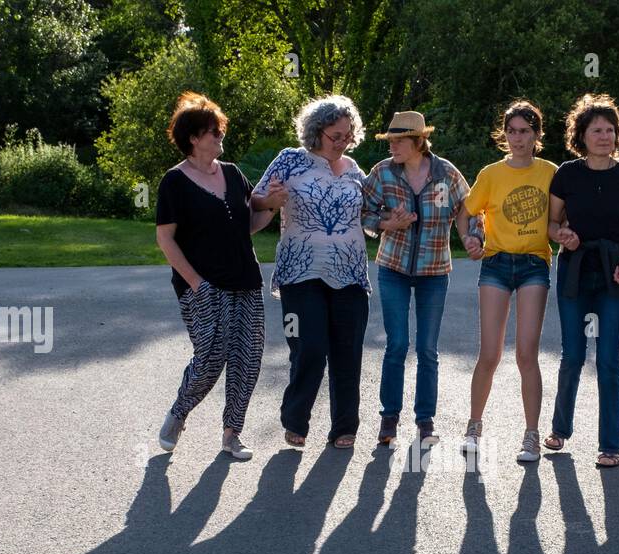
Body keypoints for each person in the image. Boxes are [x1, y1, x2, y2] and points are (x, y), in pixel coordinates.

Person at [155, 91, 273, 459]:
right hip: (202, 285)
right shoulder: (174, 182)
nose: (220, 136)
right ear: (193, 137)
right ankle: (179, 412)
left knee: (248, 357)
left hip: (245, 280)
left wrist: (272, 207)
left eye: (220, 130)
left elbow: (248, 225)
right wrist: (196, 283)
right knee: (211, 355)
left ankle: (231, 434)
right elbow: (165, 238)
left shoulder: (234, 173)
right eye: (213, 131)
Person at [251, 95, 371, 449]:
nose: (343, 142)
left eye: (348, 135)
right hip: (299, 274)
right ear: (316, 131)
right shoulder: (290, 161)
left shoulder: (353, 169)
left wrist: (387, 223)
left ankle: (345, 427)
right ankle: (295, 420)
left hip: (349, 274)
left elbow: (368, 218)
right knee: (309, 347)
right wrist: (272, 201)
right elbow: (256, 200)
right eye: (336, 135)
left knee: (348, 352)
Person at [545, 93, 619, 469]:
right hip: (575, 266)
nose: (604, 136)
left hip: (616, 269)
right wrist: (562, 235)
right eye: (596, 130)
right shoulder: (567, 173)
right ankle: (559, 429)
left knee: (608, 358)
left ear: (617, 135)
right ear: (582, 135)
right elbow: (551, 223)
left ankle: (612, 445)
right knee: (572, 353)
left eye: (610, 130)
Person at [361, 111, 474, 447]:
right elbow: (362, 210)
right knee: (396, 345)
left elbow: (470, 211)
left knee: (427, 348)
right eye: (390, 140)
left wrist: (473, 238)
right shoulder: (383, 172)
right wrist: (386, 223)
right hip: (392, 267)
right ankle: (388, 420)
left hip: (434, 271)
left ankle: (425, 422)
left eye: (399, 140)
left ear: (418, 141)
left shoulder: (447, 174)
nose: (393, 145)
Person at [460, 99, 557, 464]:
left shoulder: (550, 172)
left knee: (526, 353)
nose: (517, 138)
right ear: (504, 134)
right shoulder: (490, 174)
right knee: (489, 353)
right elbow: (467, 214)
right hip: (496, 264)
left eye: (525, 131)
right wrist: (470, 239)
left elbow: (558, 218)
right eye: (512, 131)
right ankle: (473, 427)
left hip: (534, 263)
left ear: (536, 135)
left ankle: (531, 435)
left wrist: (565, 232)